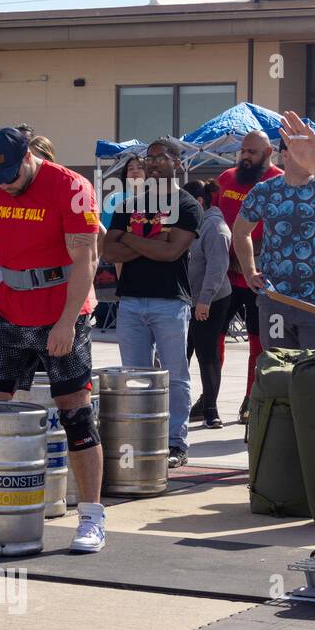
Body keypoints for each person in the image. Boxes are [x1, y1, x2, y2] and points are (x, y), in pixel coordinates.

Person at [0, 127, 106, 553]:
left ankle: (91, 517)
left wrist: (67, 322)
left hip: (63, 309)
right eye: (0, 177)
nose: (8, 183)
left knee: (75, 414)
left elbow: (85, 259)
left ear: (30, 155)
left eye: (14, 173)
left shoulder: (71, 187)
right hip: (9, 310)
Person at [102, 139, 200, 468]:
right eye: (149, 158)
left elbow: (171, 252)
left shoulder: (187, 205)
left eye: (161, 157)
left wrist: (128, 239)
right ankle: (139, 439)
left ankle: (175, 443)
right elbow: (109, 251)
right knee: (135, 376)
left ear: (177, 162)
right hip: (130, 300)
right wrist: (145, 240)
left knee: (175, 376)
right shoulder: (128, 204)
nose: (154, 163)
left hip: (170, 301)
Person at [232, 120, 315, 351]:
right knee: (278, 373)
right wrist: (249, 271)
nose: (307, 156)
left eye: (312, 150)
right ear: (284, 154)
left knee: (314, 376)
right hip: (276, 300)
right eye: (299, 149)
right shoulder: (265, 191)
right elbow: (240, 230)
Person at [216, 131, 282, 423]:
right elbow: (214, 221)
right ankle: (209, 399)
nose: (245, 156)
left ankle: (249, 399)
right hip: (224, 276)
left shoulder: (279, 181)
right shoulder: (227, 179)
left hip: (259, 278)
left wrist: (248, 259)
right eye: (243, 151)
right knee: (211, 338)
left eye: (252, 152)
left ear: (268, 152)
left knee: (257, 342)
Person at [184, 180, 231, 429]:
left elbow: (217, 268)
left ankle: (211, 410)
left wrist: (204, 301)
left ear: (199, 202)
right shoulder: (191, 221)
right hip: (187, 299)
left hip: (211, 299)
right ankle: (178, 406)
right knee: (182, 354)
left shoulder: (215, 227)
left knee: (206, 353)